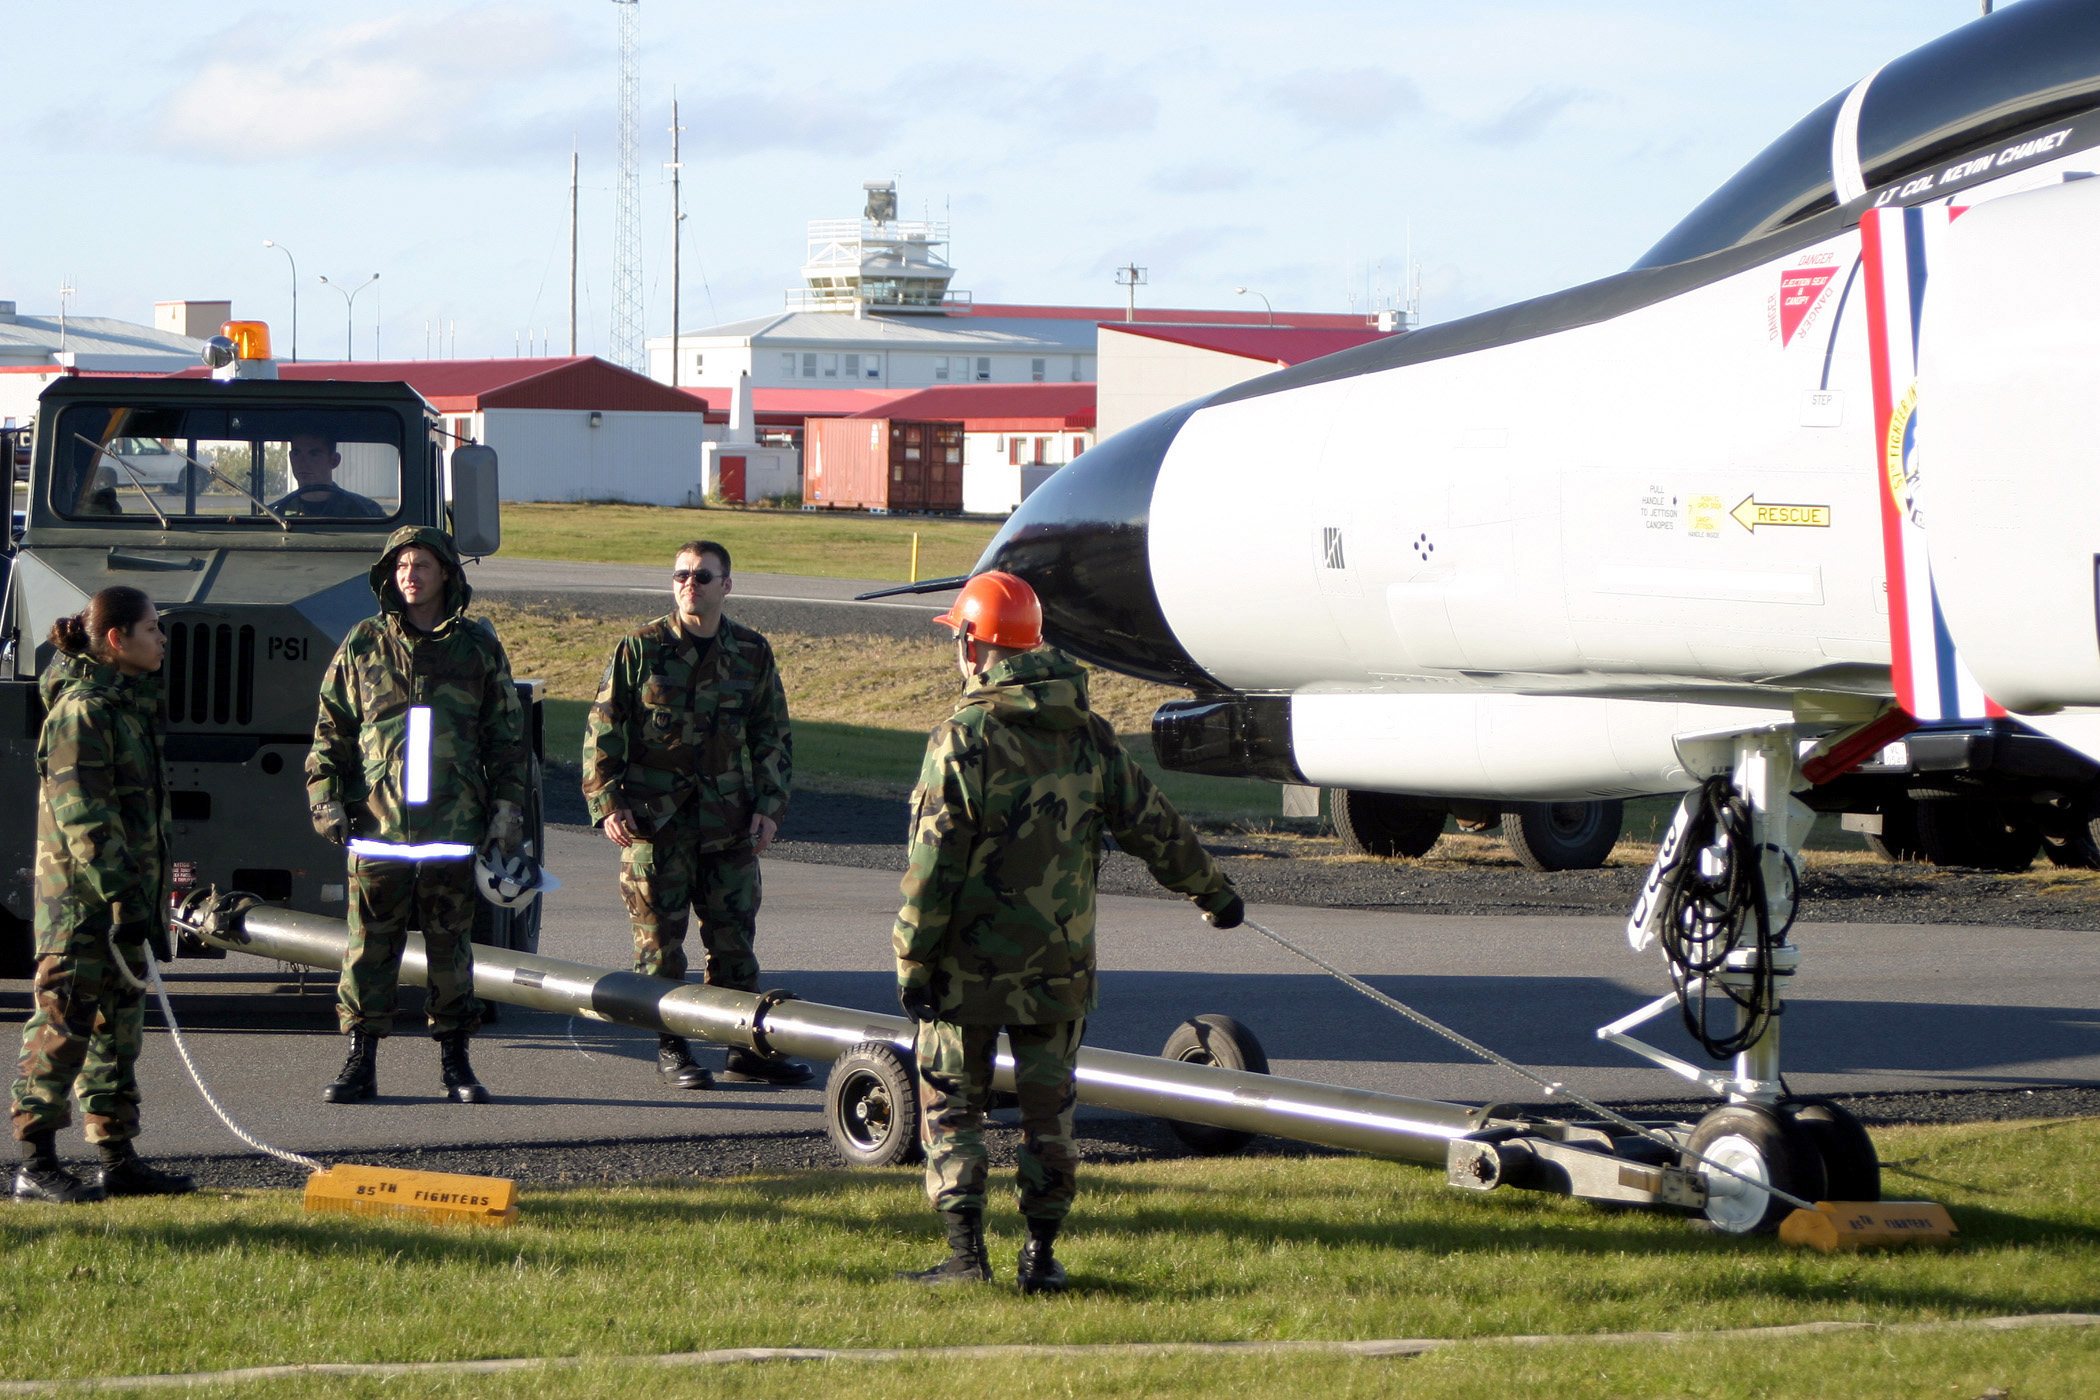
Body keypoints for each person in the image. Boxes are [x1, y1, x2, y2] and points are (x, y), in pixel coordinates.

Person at [892, 571, 1244, 1292]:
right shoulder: (1086, 735)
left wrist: (912, 961)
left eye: (960, 636)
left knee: (953, 1106)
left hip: (968, 968)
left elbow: (932, 868)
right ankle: (1041, 1257)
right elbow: (1154, 825)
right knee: (1050, 1115)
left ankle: (966, 1257)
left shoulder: (964, 738)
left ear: (974, 643)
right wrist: (1214, 893)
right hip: (1058, 966)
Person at [306, 525, 529, 1105]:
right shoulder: (362, 644)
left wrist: (507, 814)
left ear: (447, 575)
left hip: (452, 831)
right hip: (378, 828)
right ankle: (360, 1061)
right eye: (401, 565)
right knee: (367, 952)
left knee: (450, 952)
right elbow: (332, 729)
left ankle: (456, 1063)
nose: (410, 574)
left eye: (422, 565)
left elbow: (507, 739)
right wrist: (325, 796)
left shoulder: (477, 647)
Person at [581, 539, 804, 1090]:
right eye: (681, 574)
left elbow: (771, 735)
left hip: (728, 823)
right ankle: (671, 1044)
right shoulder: (641, 648)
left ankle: (744, 1049)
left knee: (733, 943)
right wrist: (607, 801)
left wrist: (770, 808)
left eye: (703, 576)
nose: (689, 584)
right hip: (656, 826)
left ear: (726, 585)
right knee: (659, 944)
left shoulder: (750, 651)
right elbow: (603, 731)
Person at [11, 587, 196, 1203]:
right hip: (82, 907)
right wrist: (121, 896)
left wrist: (138, 900)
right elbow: (84, 817)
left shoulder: (126, 707)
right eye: (152, 629)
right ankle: (36, 1164)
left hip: (121, 902)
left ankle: (117, 1159)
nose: (162, 640)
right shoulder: (83, 712)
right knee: (62, 1026)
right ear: (117, 640)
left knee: (117, 1032)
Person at [270, 433, 387, 519]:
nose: (302, 462)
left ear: (334, 461)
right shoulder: (274, 514)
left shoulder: (366, 511)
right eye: (297, 453)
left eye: (314, 454)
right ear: (290, 457)